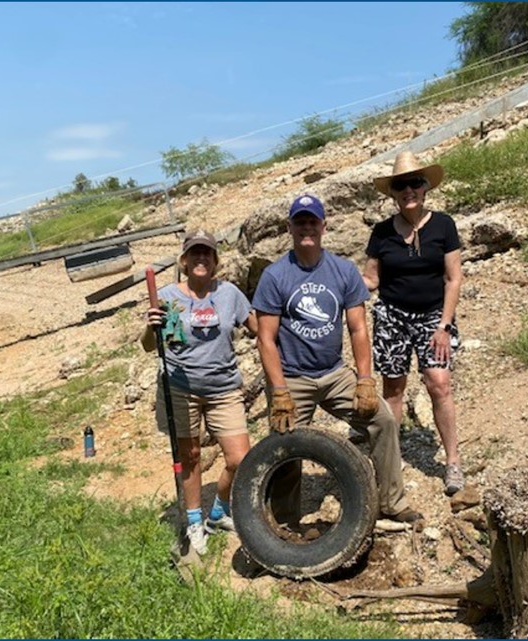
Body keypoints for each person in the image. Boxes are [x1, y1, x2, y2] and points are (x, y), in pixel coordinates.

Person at [252, 193, 423, 528]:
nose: (307, 228)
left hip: (334, 374)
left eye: (312, 222)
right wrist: (279, 391)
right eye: (300, 222)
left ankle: (392, 502)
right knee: (285, 443)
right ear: (289, 228)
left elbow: (358, 328)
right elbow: (266, 339)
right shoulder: (275, 276)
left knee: (383, 420)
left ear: (324, 226)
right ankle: (284, 524)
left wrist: (365, 380)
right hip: (292, 377)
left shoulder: (343, 271)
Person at [142, 230, 258, 555]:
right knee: (190, 455)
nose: (201, 258)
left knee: (239, 458)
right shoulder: (167, 296)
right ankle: (194, 520)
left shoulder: (230, 294)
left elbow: (258, 327)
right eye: (195, 253)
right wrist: (150, 327)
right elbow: (150, 345)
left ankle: (218, 512)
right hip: (181, 388)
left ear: (215, 260)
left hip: (224, 388)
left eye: (207, 253)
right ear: (184, 260)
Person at [364, 151, 465, 496]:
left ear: (425, 188)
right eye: (401, 185)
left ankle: (452, 461)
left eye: (415, 183)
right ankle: (390, 463)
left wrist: (444, 326)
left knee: (439, 383)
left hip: (434, 316)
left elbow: (453, 278)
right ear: (393, 193)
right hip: (392, 315)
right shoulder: (381, 232)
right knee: (393, 388)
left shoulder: (444, 225)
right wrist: (336, 280)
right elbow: (371, 279)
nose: (409, 190)